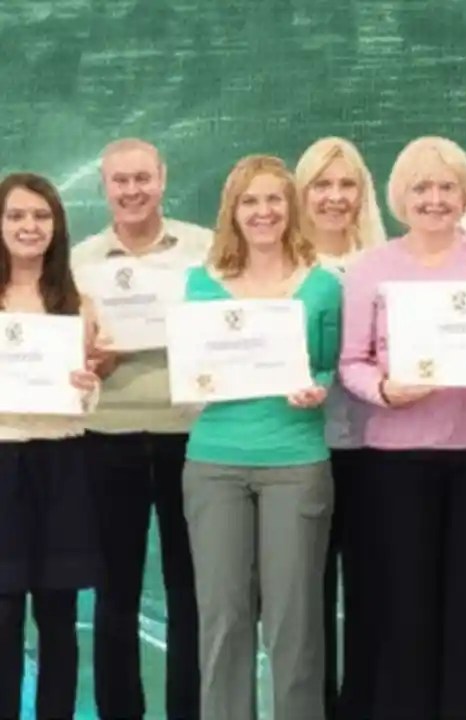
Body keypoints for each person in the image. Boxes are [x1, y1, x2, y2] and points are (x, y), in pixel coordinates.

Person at [339, 136, 466, 720]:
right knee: (405, 599)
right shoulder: (371, 266)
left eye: (447, 187)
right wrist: (385, 391)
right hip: (396, 458)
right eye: (422, 187)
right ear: (401, 196)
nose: (435, 199)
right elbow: (352, 361)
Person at [182, 155, 341, 720]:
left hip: (295, 462)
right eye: (250, 201)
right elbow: (194, 367)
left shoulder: (323, 286)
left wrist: (317, 388)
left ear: (291, 207)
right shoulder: (198, 285)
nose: (263, 211)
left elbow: (326, 366)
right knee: (222, 618)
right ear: (233, 211)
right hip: (213, 464)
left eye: (274, 199)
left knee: (294, 621)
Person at [70, 137, 209, 720]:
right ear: (104, 187)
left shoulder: (206, 248)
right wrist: (85, 358)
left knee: (190, 591)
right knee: (114, 592)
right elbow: (61, 353)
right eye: (119, 181)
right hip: (106, 436)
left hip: (193, 435)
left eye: (142, 178)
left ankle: (190, 711)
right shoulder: (77, 261)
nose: (132, 190)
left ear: (163, 178)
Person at [0, 172, 102, 720]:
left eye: (40, 216)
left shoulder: (76, 301)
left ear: (56, 227)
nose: (29, 226)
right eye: (16, 216)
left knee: (59, 617)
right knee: (3, 616)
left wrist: (90, 387)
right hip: (2, 463)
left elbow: (88, 395)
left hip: (62, 462)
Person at [294, 135, 387, 720]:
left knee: (375, 590)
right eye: (321, 185)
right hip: (301, 450)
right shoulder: (280, 268)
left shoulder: (389, 262)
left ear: (364, 192)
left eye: (346, 184)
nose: (334, 197)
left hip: (378, 449)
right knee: (306, 596)